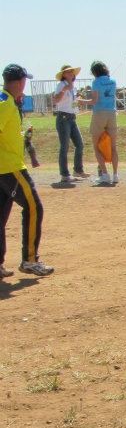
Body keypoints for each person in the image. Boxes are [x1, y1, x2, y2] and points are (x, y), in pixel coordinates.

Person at [0, 64, 54, 278]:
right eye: (24, 81)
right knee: (34, 207)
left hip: (5, 166)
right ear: (20, 81)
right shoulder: (5, 103)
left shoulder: (7, 101)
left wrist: (22, 137)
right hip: (10, 167)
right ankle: (30, 260)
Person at [52, 64, 89, 186]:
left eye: (71, 72)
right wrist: (64, 90)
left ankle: (77, 170)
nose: (70, 74)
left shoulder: (73, 88)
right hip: (63, 117)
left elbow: (72, 104)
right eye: (68, 72)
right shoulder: (61, 85)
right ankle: (64, 174)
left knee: (79, 144)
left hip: (72, 118)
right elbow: (56, 100)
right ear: (63, 74)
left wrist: (77, 103)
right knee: (65, 146)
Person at [87, 62, 119, 187]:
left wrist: (80, 101)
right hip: (112, 113)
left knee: (96, 146)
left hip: (99, 113)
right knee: (113, 147)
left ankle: (105, 174)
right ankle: (116, 174)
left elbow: (94, 100)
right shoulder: (113, 81)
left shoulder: (96, 82)